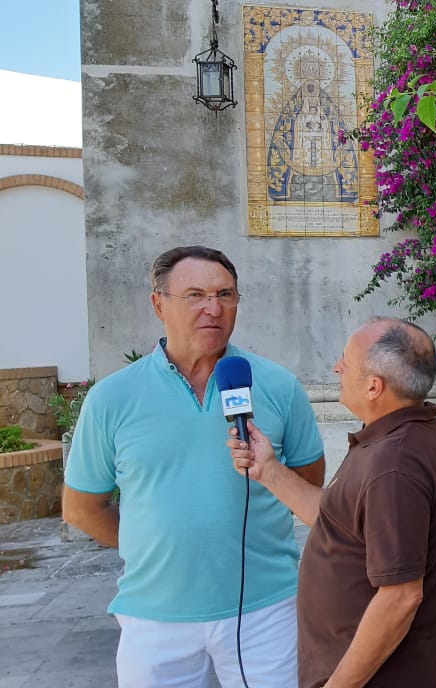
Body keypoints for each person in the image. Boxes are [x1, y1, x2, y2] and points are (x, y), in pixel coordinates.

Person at [63, 245, 326, 687]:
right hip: (155, 618)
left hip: (265, 611)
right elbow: (82, 507)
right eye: (196, 295)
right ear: (158, 304)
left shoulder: (278, 386)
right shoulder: (112, 398)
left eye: (226, 294)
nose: (213, 308)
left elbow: (307, 488)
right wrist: (156, 548)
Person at [228, 316, 436, 688]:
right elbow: (337, 519)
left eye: (346, 361)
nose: (337, 367)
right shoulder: (406, 438)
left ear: (374, 386)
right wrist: (268, 470)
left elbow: (401, 597)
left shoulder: (394, 464)